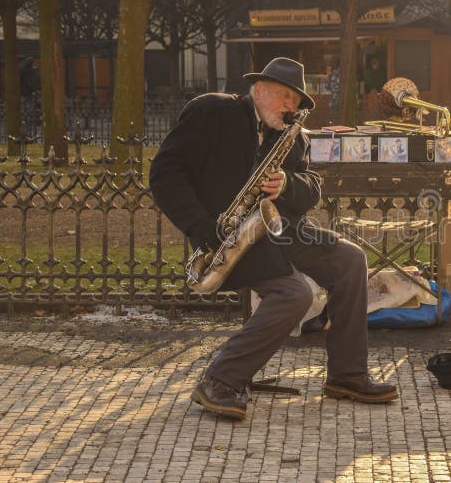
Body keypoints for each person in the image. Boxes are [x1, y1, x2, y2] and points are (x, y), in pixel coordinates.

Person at [149, 57, 398, 421]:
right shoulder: (212, 112)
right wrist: (201, 226)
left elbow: (311, 186)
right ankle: (220, 379)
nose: (291, 107)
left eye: (296, 102)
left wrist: (287, 185)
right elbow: (164, 173)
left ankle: (347, 375)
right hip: (226, 234)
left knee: (350, 259)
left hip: (278, 227)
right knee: (294, 293)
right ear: (259, 88)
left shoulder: (288, 133)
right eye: (285, 97)